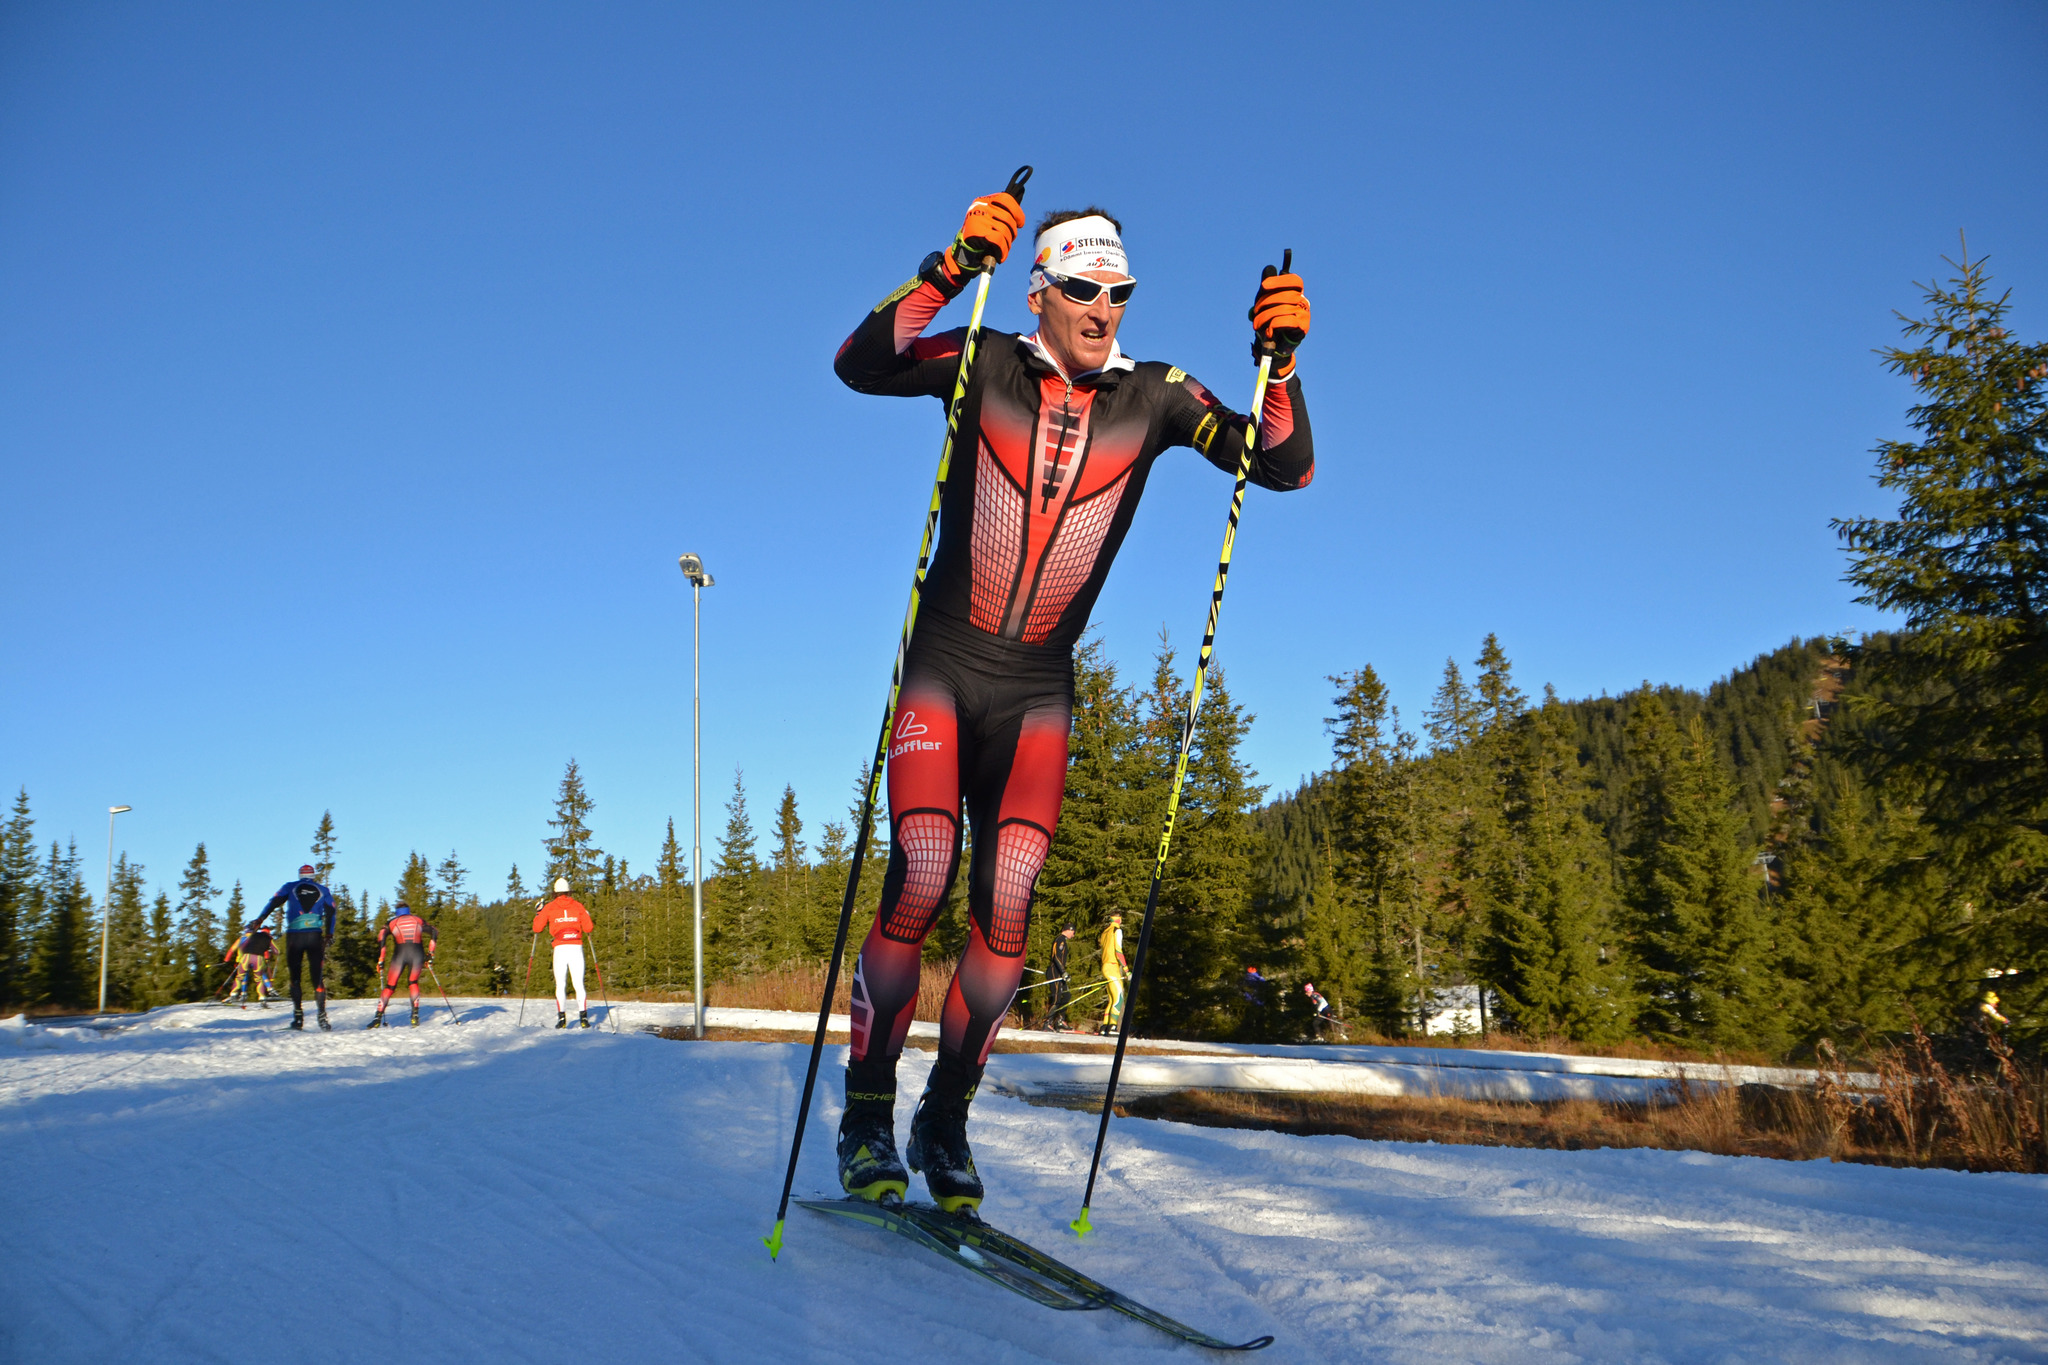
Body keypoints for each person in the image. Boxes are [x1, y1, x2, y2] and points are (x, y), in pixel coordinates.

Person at [830, 185, 1312, 1210]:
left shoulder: (1156, 396)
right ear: (1041, 290)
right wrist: (952, 265)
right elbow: (859, 363)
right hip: (944, 667)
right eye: (1085, 289)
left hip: (1037, 691)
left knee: (1006, 905)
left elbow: (1282, 467)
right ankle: (867, 1109)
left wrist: (1282, 365)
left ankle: (944, 1119)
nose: (1105, 308)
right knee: (921, 869)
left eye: (1121, 292)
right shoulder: (981, 357)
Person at [252, 864, 335, 1030]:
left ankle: (298, 1017)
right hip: (314, 936)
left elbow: (273, 902)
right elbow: (332, 912)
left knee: (295, 977)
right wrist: (329, 934)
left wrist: (260, 919)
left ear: (299, 875)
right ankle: (322, 1017)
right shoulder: (323, 890)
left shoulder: (290, 887)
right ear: (313, 876)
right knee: (317, 978)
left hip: (294, 936)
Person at [533, 878, 595, 1029]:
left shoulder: (549, 907)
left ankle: (561, 1020)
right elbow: (588, 928)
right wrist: (586, 915)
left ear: (554, 893)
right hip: (576, 947)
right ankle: (584, 1019)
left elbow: (537, 928)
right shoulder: (578, 906)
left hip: (560, 948)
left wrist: (538, 913)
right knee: (579, 984)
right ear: (568, 892)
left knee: (561, 984)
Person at [367, 903, 438, 1028]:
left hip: (400, 955)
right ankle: (415, 1016)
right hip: (417, 954)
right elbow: (434, 932)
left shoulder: (392, 922)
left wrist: (381, 960)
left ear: (397, 912)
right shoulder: (418, 920)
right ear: (408, 911)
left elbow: (381, 938)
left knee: (390, 986)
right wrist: (430, 954)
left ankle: (378, 1017)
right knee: (413, 982)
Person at [221, 922, 276, 1008]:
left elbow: (232, 950)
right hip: (258, 960)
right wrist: (266, 958)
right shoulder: (257, 938)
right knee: (260, 977)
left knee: (241, 977)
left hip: (243, 960)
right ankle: (264, 996)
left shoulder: (242, 938)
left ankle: (237, 994)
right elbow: (264, 949)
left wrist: (226, 960)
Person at [1099, 914, 1130, 1034]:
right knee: (1119, 998)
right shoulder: (1117, 931)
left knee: (1112, 999)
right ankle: (1112, 1026)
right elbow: (1118, 950)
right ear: (1119, 920)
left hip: (1105, 966)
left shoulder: (1105, 932)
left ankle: (1105, 1026)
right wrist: (1126, 970)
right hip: (1113, 966)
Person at [1042, 925, 1076, 1031]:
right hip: (1055, 972)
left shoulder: (1063, 941)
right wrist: (1063, 972)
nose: (1073, 935)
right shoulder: (1060, 940)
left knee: (1066, 995)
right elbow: (1056, 957)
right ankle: (1048, 1022)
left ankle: (1060, 1020)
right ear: (1069, 930)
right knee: (1056, 998)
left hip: (1060, 973)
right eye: (1073, 932)